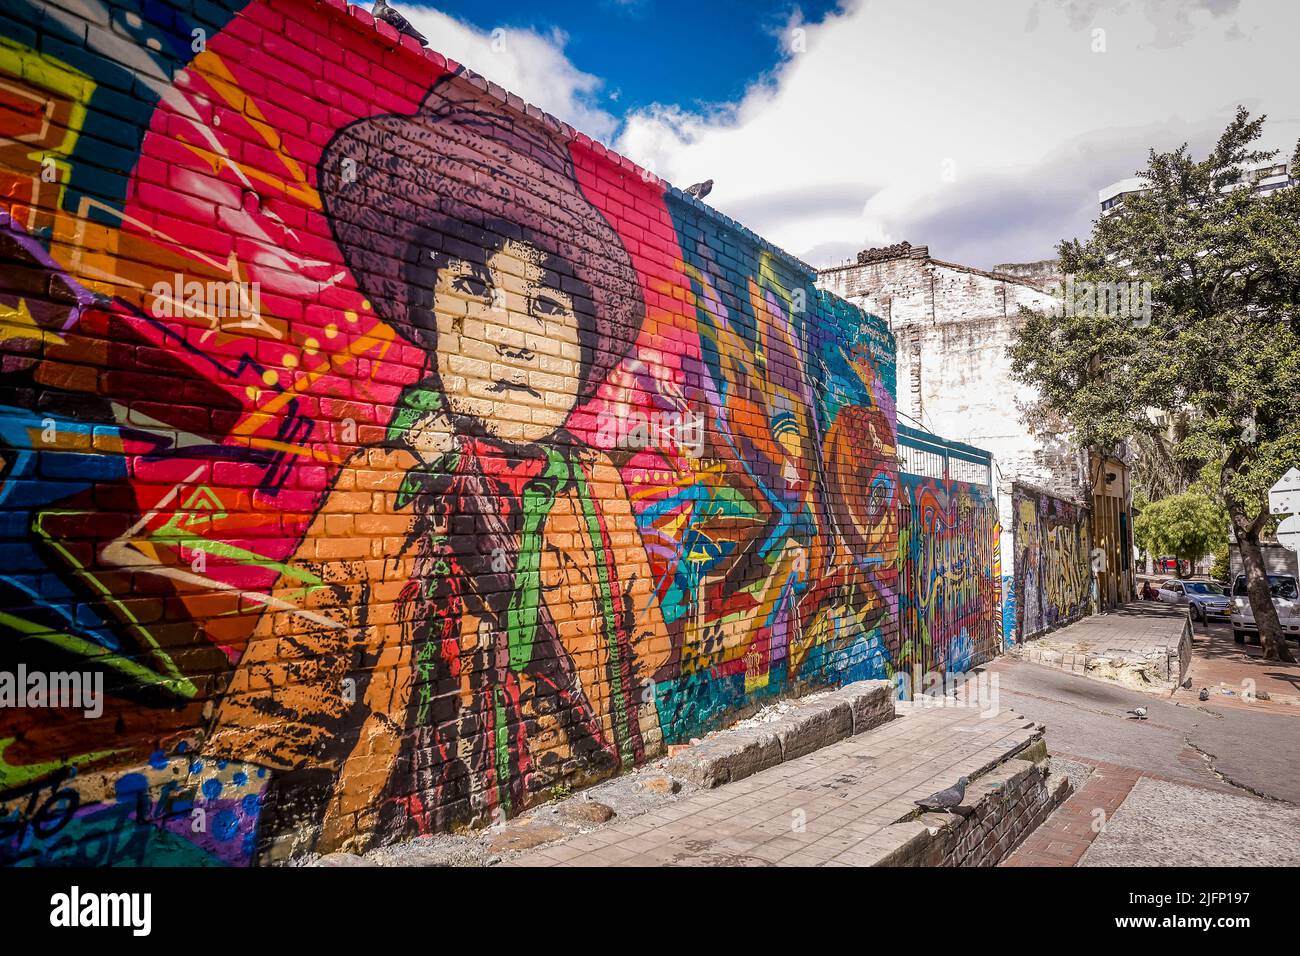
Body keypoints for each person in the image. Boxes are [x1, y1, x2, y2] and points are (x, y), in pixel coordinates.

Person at [204, 75, 671, 856]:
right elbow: (283, 708)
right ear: (429, 316)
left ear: (586, 353)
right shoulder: (381, 486)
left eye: (548, 307)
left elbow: (640, 670)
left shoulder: (597, 489)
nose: (510, 337)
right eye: (475, 288)